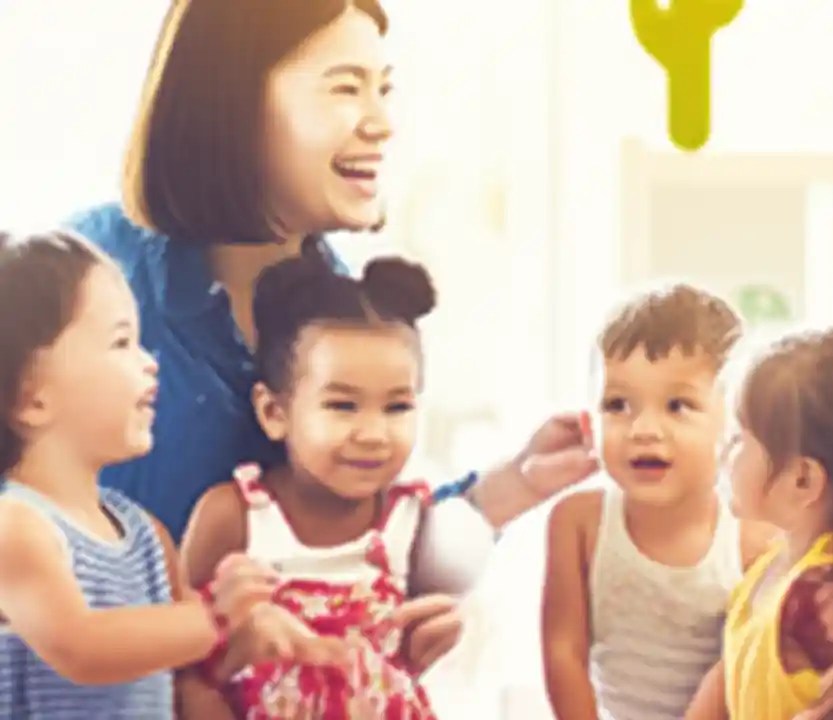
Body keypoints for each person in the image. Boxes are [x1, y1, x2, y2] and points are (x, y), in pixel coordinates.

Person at [63, 0, 596, 650]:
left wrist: (502, 492)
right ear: (233, 100)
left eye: (385, 89)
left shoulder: (345, 308)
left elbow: (349, 505)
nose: (382, 123)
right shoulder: (82, 279)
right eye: (346, 88)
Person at [0, 230, 343, 719]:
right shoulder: (18, 528)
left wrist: (253, 631)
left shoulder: (147, 537)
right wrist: (217, 616)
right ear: (32, 396)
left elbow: (190, 660)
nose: (149, 363)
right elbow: (83, 648)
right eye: (121, 342)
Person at [180, 253, 456, 717]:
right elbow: (179, 660)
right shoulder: (235, 515)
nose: (373, 433)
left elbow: (412, 644)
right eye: (343, 406)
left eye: (397, 408)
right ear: (274, 413)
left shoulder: (409, 516)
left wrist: (433, 635)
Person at [541, 283, 776, 720]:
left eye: (677, 405)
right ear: (589, 427)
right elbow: (563, 653)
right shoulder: (578, 523)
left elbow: (749, 675)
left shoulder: (754, 541)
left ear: (735, 427)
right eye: (618, 405)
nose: (644, 429)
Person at [685, 325, 833, 719]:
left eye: (740, 437)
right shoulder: (779, 560)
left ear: (802, 480)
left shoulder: (826, 595)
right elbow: (731, 671)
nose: (723, 448)